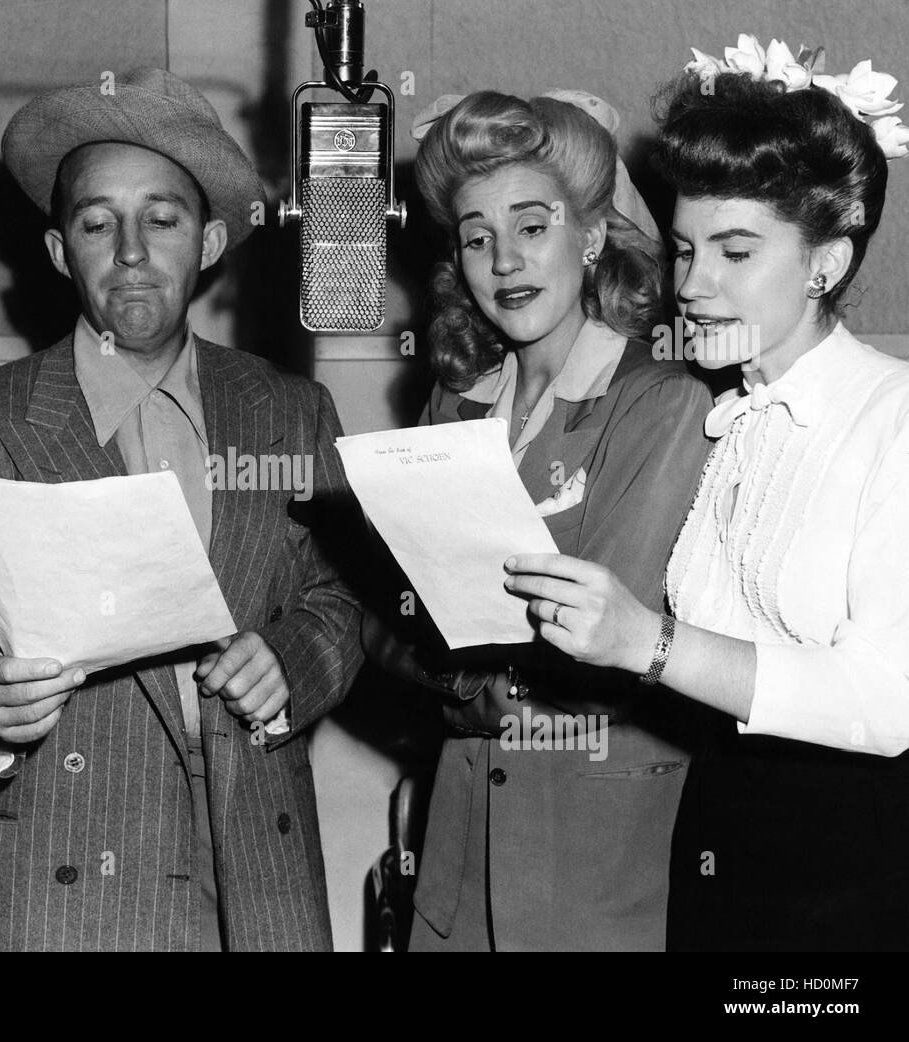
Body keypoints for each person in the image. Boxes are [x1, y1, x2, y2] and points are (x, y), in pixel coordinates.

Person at [0, 67, 363, 951]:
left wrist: (292, 660)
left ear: (211, 241)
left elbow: (340, 601)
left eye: (162, 220)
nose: (131, 252)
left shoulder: (292, 412)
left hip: (254, 888)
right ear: (61, 251)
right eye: (98, 223)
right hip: (47, 893)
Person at [502, 36, 909, 951]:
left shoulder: (895, 419)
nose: (693, 285)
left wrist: (646, 643)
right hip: (719, 832)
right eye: (685, 250)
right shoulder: (731, 416)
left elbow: (889, 705)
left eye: (734, 251)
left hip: (860, 863)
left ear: (826, 263)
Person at [365, 89, 713, 951]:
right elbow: (383, 620)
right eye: (477, 236)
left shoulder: (662, 401)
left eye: (532, 226)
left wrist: (459, 675)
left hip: (598, 860)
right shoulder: (453, 403)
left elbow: (599, 646)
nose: (504, 262)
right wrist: (470, 685)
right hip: (458, 854)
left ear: (591, 237)